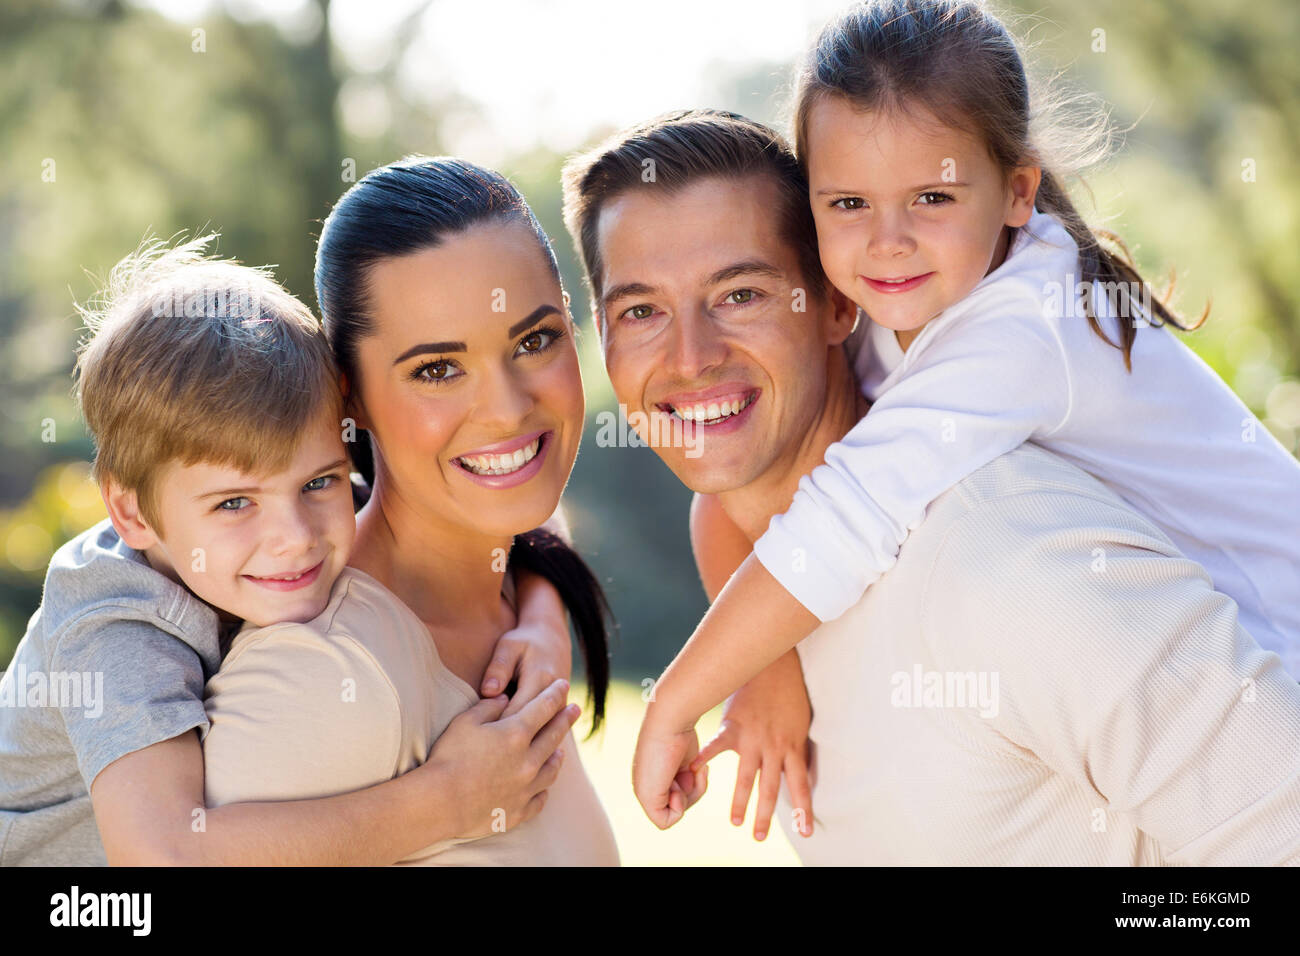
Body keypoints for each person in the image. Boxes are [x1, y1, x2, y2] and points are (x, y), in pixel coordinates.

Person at [562, 107, 1300, 863]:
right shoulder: (760, 606)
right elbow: (718, 506)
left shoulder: (1009, 555)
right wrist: (760, 670)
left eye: (741, 295)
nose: (690, 357)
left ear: (839, 303)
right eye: (642, 310)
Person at [0, 237, 578, 865]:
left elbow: (506, 507)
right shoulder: (116, 629)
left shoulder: (312, 505)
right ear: (132, 512)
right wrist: (447, 801)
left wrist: (544, 621)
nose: (296, 536)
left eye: (318, 483)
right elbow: (162, 856)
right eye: (233, 504)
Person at [200, 156, 620, 865]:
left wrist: (543, 610)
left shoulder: (510, 597)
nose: (508, 410)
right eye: (437, 370)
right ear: (349, 396)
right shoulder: (319, 674)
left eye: (535, 340)